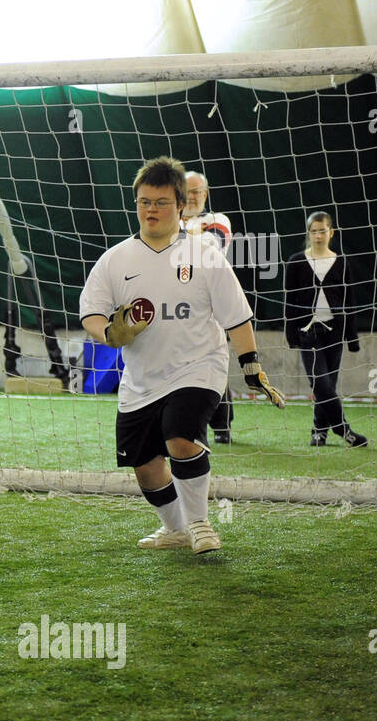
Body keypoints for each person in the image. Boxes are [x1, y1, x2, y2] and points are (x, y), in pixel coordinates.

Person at [79, 155, 284, 554]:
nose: (151, 210)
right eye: (144, 202)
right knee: (146, 468)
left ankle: (200, 523)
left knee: (181, 437)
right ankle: (175, 529)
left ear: (180, 204)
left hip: (199, 368)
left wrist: (251, 366)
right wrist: (108, 331)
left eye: (160, 202)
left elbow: (236, 316)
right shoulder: (115, 259)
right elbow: (91, 313)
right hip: (141, 379)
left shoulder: (205, 254)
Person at [283, 211, 368, 447]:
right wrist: (291, 334)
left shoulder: (341, 262)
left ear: (331, 232)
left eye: (323, 230)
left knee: (328, 385)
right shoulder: (296, 261)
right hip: (307, 332)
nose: (318, 235)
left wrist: (352, 338)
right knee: (319, 382)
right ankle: (345, 431)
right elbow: (289, 300)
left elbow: (349, 301)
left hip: (335, 333)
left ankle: (319, 432)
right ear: (308, 233)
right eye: (314, 231)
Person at [180, 170, 235, 444]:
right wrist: (188, 232)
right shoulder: (171, 220)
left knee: (213, 363)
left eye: (197, 191)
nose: (192, 196)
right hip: (175, 307)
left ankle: (222, 425)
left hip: (210, 308)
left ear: (206, 194)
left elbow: (208, 248)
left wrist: (185, 233)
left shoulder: (218, 220)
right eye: (187, 191)